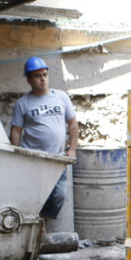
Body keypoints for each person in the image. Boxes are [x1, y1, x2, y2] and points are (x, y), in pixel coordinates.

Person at [10, 56, 79, 220]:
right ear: (29, 80)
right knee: (33, 196)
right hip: (33, 158)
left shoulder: (61, 97)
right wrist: (15, 155)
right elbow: (16, 131)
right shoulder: (23, 103)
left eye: (45, 75)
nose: (42, 79)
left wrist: (73, 148)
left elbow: (73, 124)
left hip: (58, 157)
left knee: (59, 195)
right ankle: (36, 227)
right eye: (37, 76)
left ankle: (41, 220)